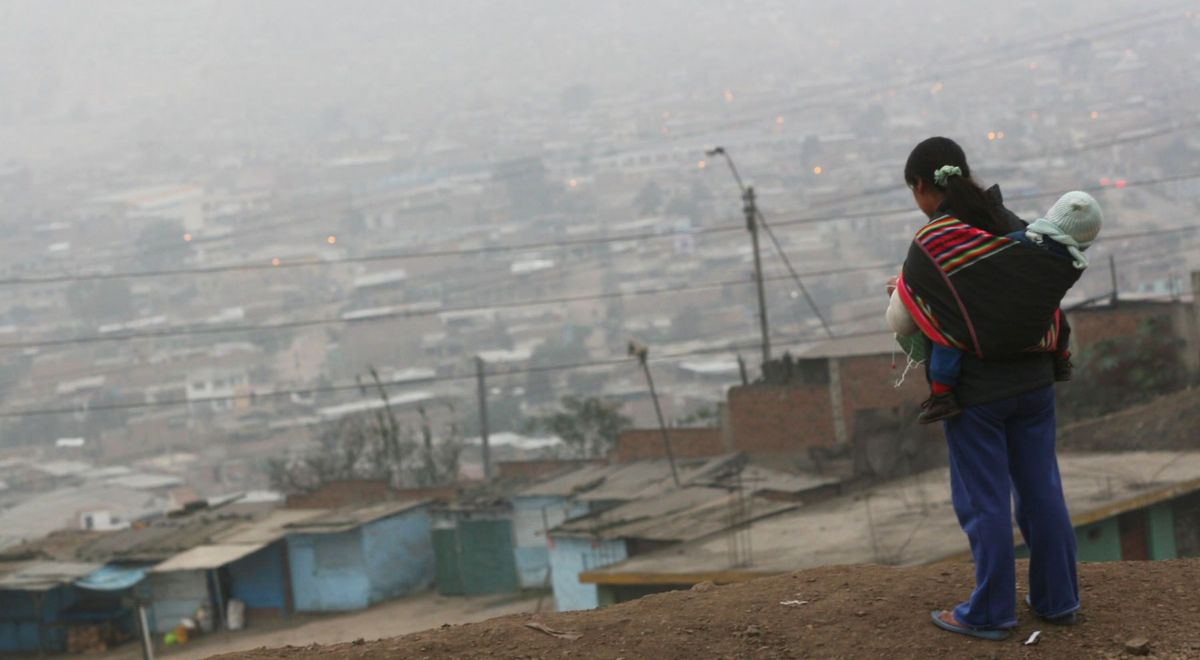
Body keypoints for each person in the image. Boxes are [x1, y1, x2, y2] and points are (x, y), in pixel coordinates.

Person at [891, 137, 1081, 641]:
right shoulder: (1012, 222)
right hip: (1036, 382)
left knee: (985, 501)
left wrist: (903, 293)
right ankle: (1059, 600)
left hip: (977, 395)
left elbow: (914, 314)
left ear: (921, 186)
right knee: (1043, 490)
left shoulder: (933, 242)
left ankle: (991, 612)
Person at [908, 190, 1103, 423]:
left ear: (1051, 216)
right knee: (1056, 318)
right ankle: (1061, 359)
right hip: (1034, 343)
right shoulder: (1070, 266)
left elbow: (992, 254)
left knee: (948, 334)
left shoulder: (1021, 242)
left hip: (986, 369)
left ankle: (942, 395)